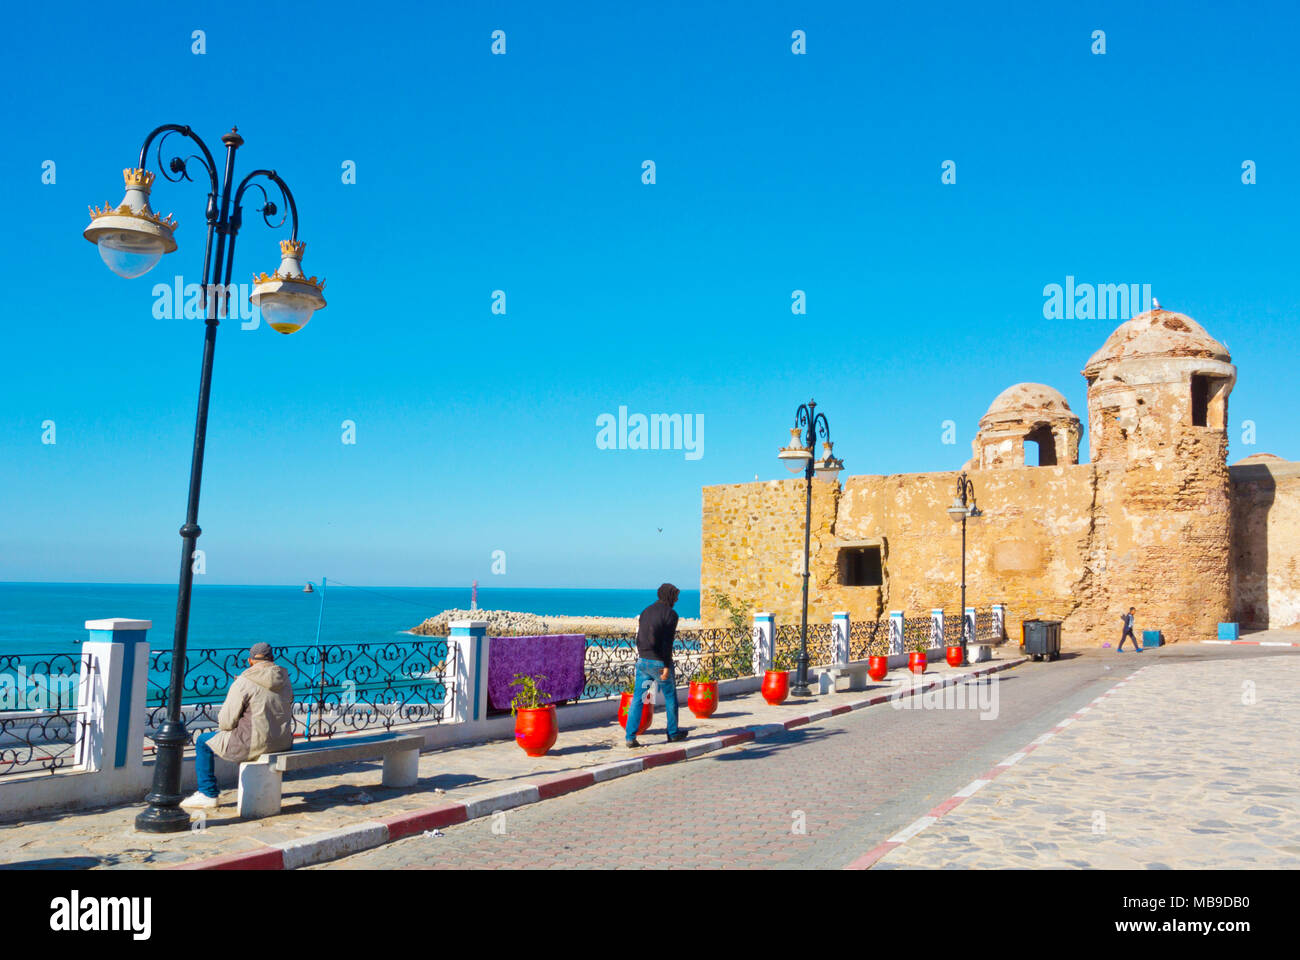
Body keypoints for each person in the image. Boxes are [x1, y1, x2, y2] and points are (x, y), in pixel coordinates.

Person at [181, 641, 294, 809]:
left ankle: (207, 793)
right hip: (283, 742)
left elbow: (226, 722)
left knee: (203, 741)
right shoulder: (285, 680)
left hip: (254, 744)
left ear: (250, 661)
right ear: (272, 659)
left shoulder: (243, 682)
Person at [626, 583, 688, 748]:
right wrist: (666, 665)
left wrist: (642, 656)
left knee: (638, 700)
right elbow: (668, 642)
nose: (677, 599)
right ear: (669, 596)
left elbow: (641, 636)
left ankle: (630, 737)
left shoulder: (646, 611)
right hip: (659, 663)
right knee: (670, 697)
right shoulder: (671, 614)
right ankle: (673, 733)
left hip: (643, 662)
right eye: (675, 596)